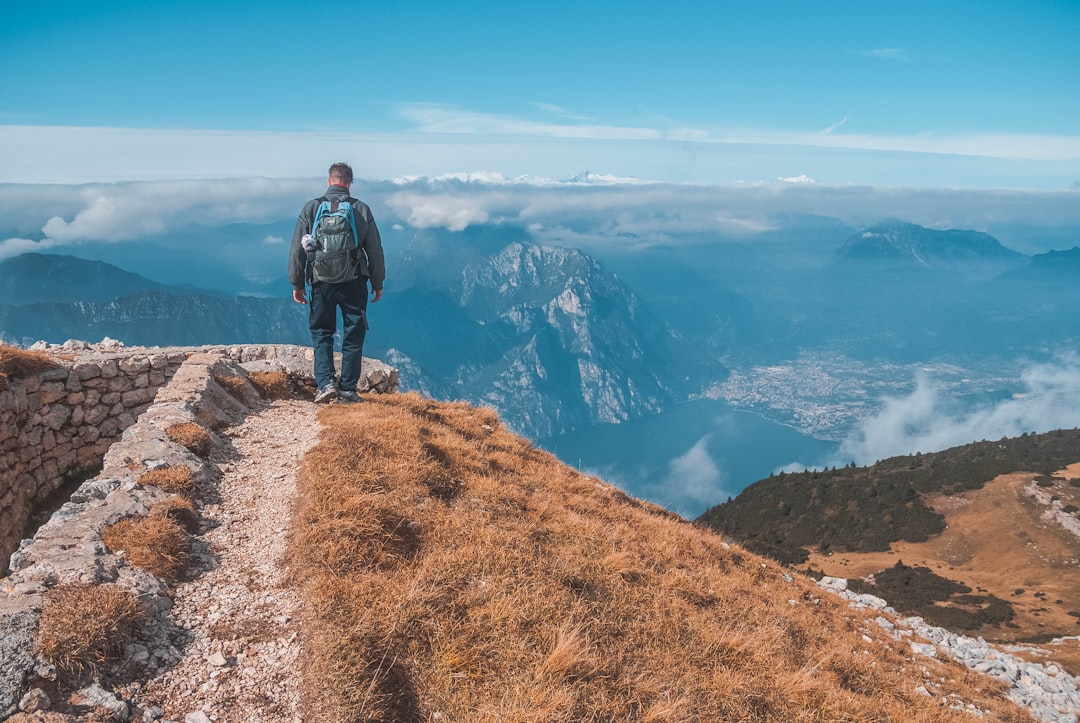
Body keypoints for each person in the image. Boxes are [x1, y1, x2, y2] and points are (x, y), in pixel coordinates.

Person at [288, 162, 385, 404]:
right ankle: (348, 390)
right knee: (354, 332)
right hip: (354, 281)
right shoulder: (360, 209)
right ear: (350, 183)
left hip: (321, 281)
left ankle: (325, 384)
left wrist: (297, 283)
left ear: (329, 180)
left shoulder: (311, 208)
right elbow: (375, 250)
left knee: (322, 332)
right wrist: (377, 282)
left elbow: (297, 250)